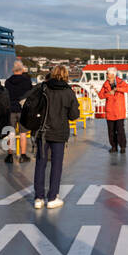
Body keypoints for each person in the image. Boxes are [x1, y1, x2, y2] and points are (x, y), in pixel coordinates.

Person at [32, 64, 80, 209]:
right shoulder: (68, 92)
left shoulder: (44, 89)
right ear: (66, 75)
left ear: (52, 74)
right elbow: (73, 116)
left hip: (42, 132)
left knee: (40, 163)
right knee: (56, 165)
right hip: (59, 133)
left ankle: (38, 198)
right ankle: (52, 197)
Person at [4, 60, 33, 164]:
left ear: (13, 70)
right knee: (23, 133)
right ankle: (23, 155)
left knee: (10, 132)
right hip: (22, 110)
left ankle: (10, 155)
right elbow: (30, 95)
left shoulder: (7, 82)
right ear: (22, 69)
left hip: (10, 109)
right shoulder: (26, 81)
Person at [98, 67, 128, 153]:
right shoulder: (105, 84)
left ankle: (123, 147)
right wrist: (109, 94)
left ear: (113, 75)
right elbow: (100, 95)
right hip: (110, 111)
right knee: (111, 131)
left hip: (119, 111)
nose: (106, 75)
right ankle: (114, 146)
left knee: (120, 130)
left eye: (107, 73)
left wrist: (118, 89)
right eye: (106, 73)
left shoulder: (120, 82)